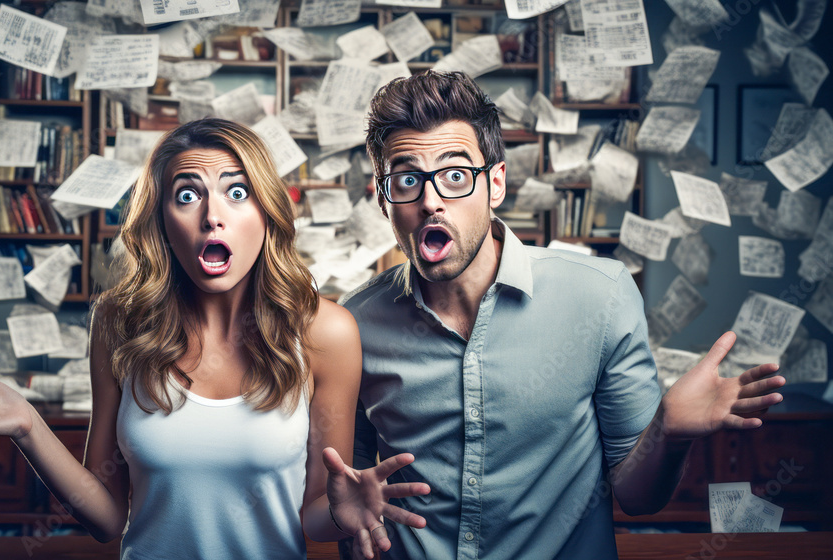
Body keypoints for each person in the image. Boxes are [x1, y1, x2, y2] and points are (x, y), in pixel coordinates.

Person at [0, 118, 429, 560]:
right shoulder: (119, 322)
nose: (212, 215)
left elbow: (315, 516)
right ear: (162, 221)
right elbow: (107, 519)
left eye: (236, 191)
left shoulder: (326, 333)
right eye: (187, 194)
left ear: (266, 213)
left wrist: (342, 514)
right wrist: (28, 425)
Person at [337, 72, 786, 559]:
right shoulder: (354, 324)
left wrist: (668, 431)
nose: (429, 200)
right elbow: (345, 497)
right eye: (406, 179)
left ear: (495, 184)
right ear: (384, 200)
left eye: (454, 175)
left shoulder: (601, 297)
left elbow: (638, 500)